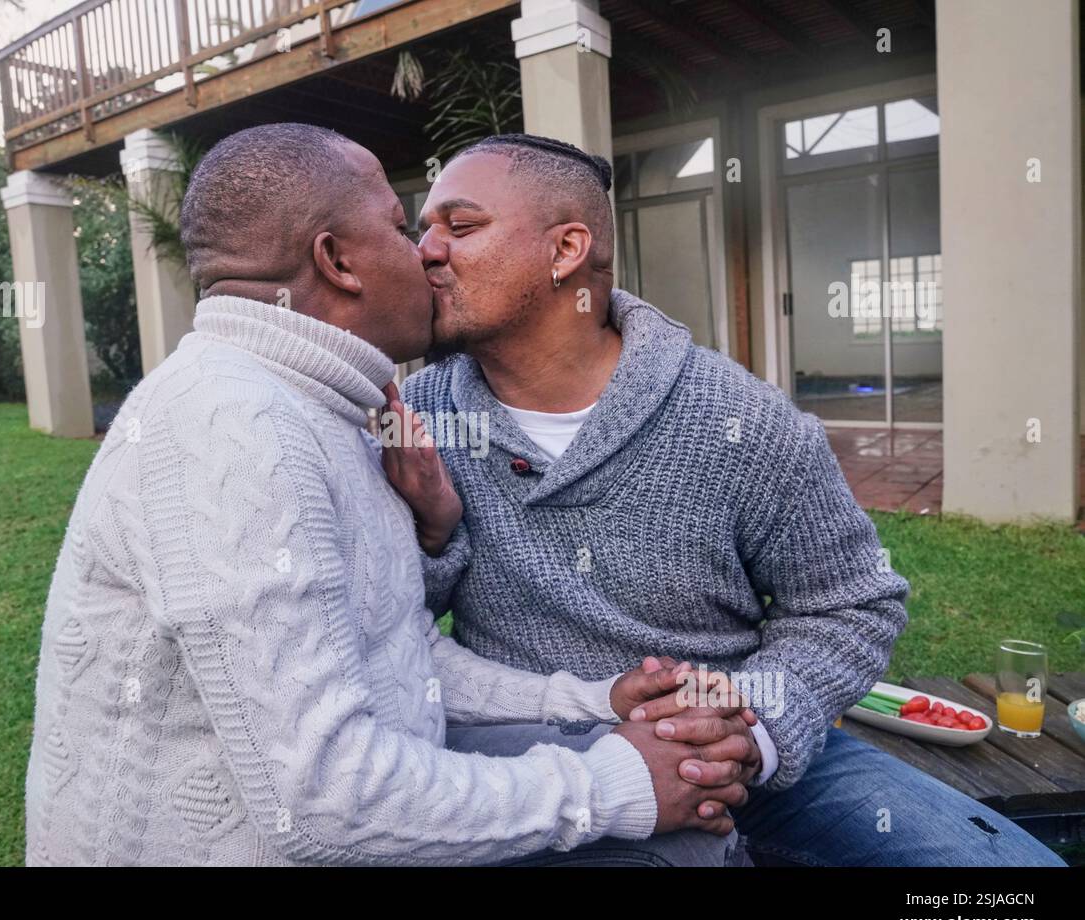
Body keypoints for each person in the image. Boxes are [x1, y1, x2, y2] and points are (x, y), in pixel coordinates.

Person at [24, 123, 754, 867]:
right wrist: (608, 785)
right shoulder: (230, 427)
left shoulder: (327, 405)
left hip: (369, 807)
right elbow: (327, 801)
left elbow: (397, 659)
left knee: (685, 831)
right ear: (338, 261)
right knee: (677, 846)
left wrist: (594, 701)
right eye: (404, 228)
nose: (428, 253)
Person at [387, 132, 1065, 866]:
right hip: (531, 757)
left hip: (745, 735)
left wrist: (751, 731)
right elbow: (386, 633)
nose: (425, 251)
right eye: (422, 230)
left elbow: (850, 602)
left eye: (459, 226)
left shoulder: (736, 416)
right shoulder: (415, 420)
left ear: (566, 250)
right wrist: (434, 534)